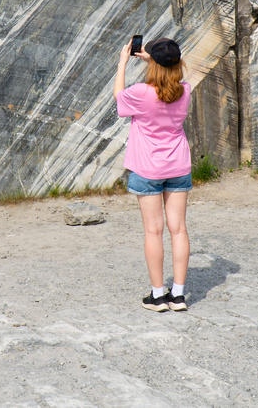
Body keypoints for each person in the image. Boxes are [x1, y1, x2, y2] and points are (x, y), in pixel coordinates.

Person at [114, 36, 192, 312]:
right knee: (179, 229)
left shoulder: (140, 92)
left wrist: (123, 62)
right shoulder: (185, 90)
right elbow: (171, 76)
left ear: (154, 64)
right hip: (178, 166)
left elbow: (119, 99)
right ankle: (179, 295)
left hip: (147, 168)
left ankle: (158, 296)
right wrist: (155, 60)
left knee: (153, 231)